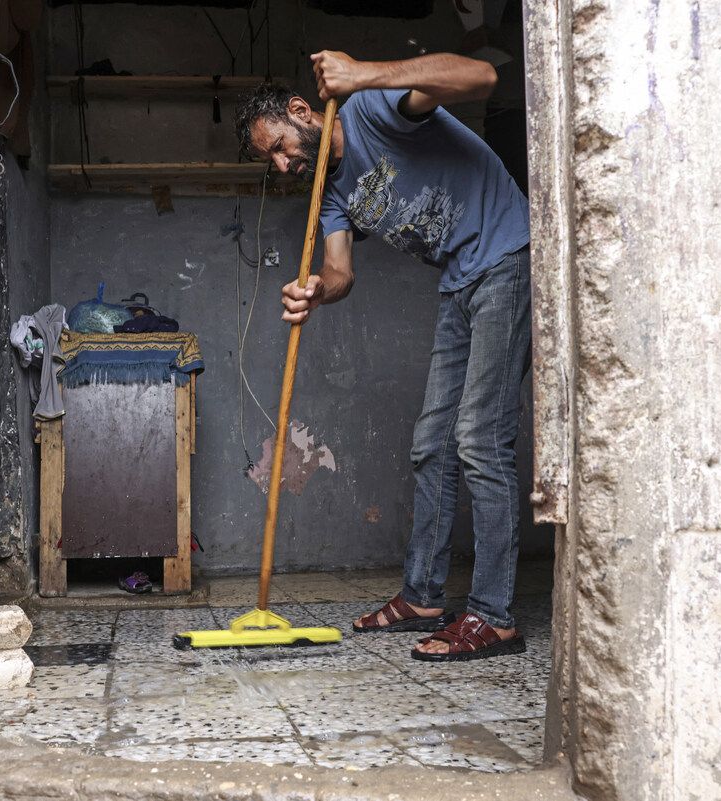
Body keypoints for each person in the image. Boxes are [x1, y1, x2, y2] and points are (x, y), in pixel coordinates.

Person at [235, 50, 531, 662]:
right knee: (431, 444)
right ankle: (423, 595)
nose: (285, 165)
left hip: (507, 257)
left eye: (281, 147)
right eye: (274, 160)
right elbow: (341, 271)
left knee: (479, 437)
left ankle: (494, 617)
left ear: (301, 111)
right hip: (458, 281)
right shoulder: (331, 191)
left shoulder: (375, 109)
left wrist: (363, 74)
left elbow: (481, 77)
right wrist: (316, 289)